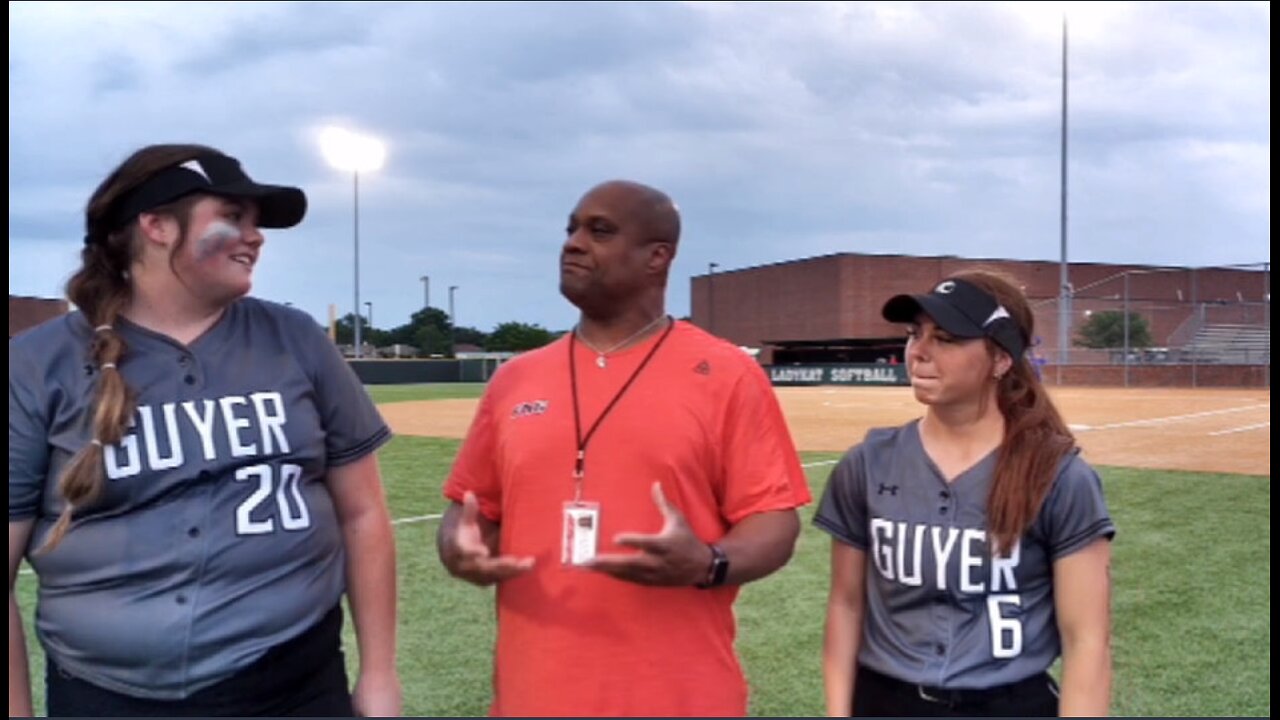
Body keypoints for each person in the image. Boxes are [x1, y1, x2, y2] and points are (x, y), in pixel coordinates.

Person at [8, 144, 401, 717]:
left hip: (292, 685)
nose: (256, 235)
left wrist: (380, 676)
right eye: (233, 216)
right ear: (157, 225)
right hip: (107, 696)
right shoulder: (39, 364)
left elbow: (363, 514)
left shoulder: (296, 339)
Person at [436, 180, 811, 716]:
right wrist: (459, 545)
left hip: (682, 697)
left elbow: (774, 522)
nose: (573, 242)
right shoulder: (515, 379)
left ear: (657, 257)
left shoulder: (727, 373)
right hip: (532, 697)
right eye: (571, 228)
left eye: (600, 230)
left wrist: (710, 562)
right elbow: (470, 511)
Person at [815, 271, 1115, 717]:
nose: (918, 352)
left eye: (947, 338)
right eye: (915, 334)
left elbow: (1087, 640)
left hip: (1010, 703)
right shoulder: (867, 463)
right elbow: (846, 604)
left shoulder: (1058, 476)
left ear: (1000, 359)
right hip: (885, 701)